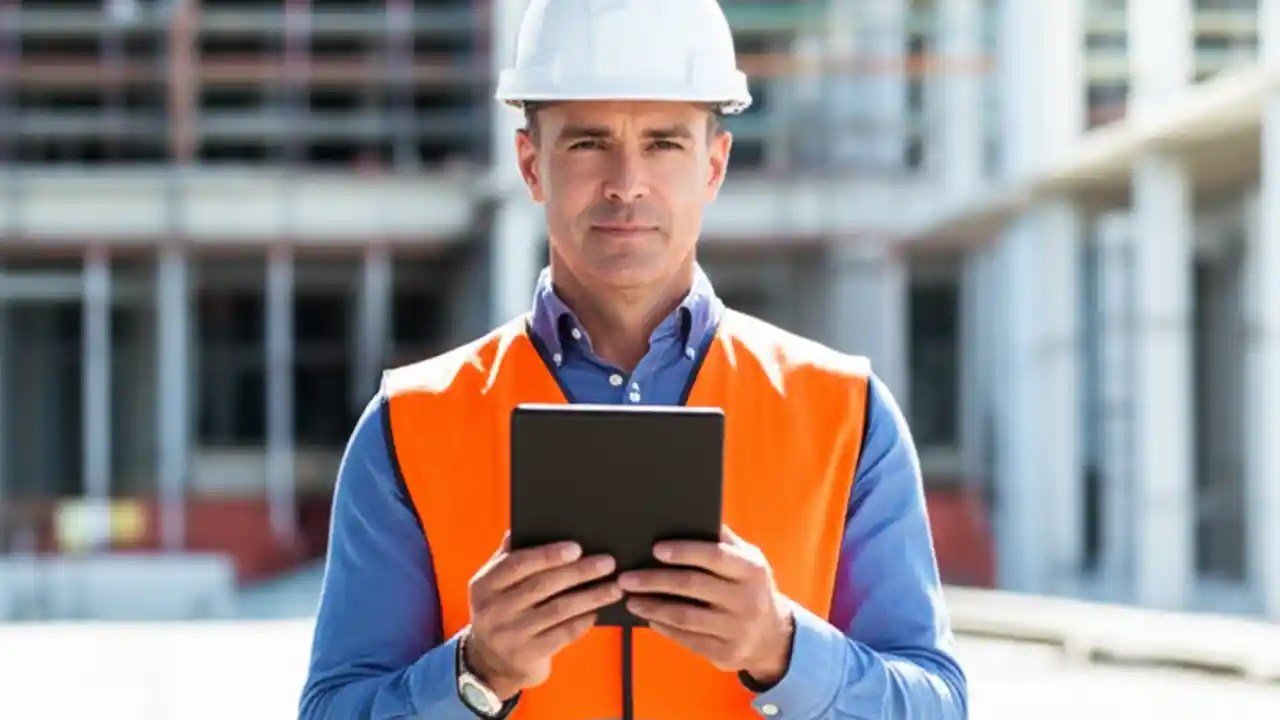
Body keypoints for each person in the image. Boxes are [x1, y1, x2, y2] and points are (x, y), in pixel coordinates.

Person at [299, 0, 967, 718]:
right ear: (531, 164)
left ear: (714, 164)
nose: (626, 182)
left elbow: (936, 705)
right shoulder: (409, 426)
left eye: (663, 143)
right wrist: (476, 670)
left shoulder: (846, 415)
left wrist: (781, 648)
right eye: (588, 142)